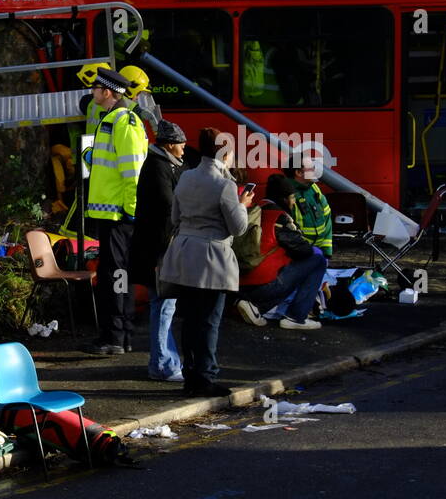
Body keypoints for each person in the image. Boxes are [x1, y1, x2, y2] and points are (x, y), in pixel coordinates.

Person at [158, 127, 254, 396]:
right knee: (209, 320)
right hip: (212, 258)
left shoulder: (186, 177)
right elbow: (238, 228)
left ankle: (190, 375)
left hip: (183, 253)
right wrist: (243, 205)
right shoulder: (226, 185)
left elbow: (176, 218)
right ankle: (205, 377)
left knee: (189, 318)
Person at [84, 67, 148, 355]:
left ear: (107, 92)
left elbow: (132, 170)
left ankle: (117, 337)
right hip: (108, 214)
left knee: (116, 276)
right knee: (113, 275)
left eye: (96, 88)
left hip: (119, 216)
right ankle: (117, 336)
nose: (92, 92)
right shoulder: (111, 119)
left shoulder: (125, 121)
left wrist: (131, 211)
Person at [127, 120, 188, 381]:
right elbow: (167, 209)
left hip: (159, 250)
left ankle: (167, 361)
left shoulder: (162, 165)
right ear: (171, 145)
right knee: (164, 307)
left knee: (164, 307)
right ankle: (162, 364)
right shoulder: (158, 167)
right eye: (182, 145)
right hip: (160, 252)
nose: (184, 150)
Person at [235, 174, 329, 330]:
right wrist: (315, 249)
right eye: (292, 198)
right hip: (262, 285)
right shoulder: (280, 217)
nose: (294, 202)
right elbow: (302, 250)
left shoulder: (256, 209)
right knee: (317, 260)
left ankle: (257, 307)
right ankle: (296, 317)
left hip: (240, 281)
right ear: (284, 198)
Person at [285, 156, 334, 257]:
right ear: (298, 173)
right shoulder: (286, 194)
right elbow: (286, 230)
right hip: (299, 253)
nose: (314, 171)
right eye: (311, 168)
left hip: (318, 252)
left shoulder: (314, 188)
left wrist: (326, 251)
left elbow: (327, 217)